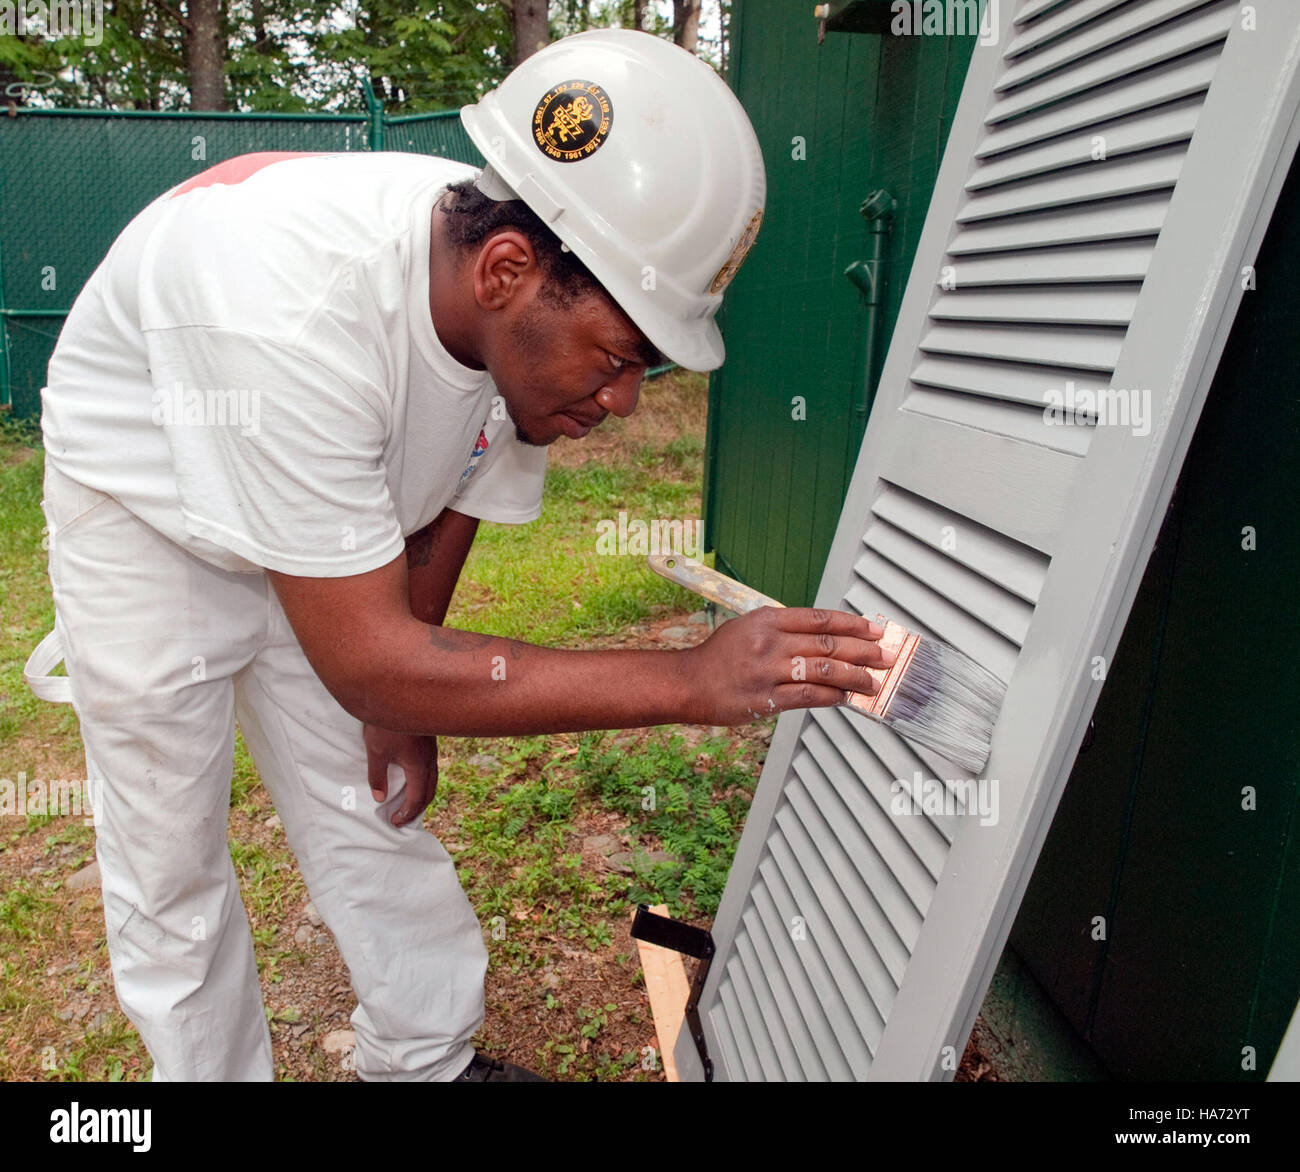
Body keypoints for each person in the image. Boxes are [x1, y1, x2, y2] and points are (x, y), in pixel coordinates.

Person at [28, 29, 890, 1082]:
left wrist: (406, 701)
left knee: (368, 795)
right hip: (149, 516)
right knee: (169, 850)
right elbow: (367, 658)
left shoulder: (513, 278)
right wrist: (688, 679)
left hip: (327, 514)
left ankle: (422, 1061)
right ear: (505, 270)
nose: (622, 401)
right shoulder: (291, 314)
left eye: (645, 369)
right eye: (618, 359)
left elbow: (460, 484)